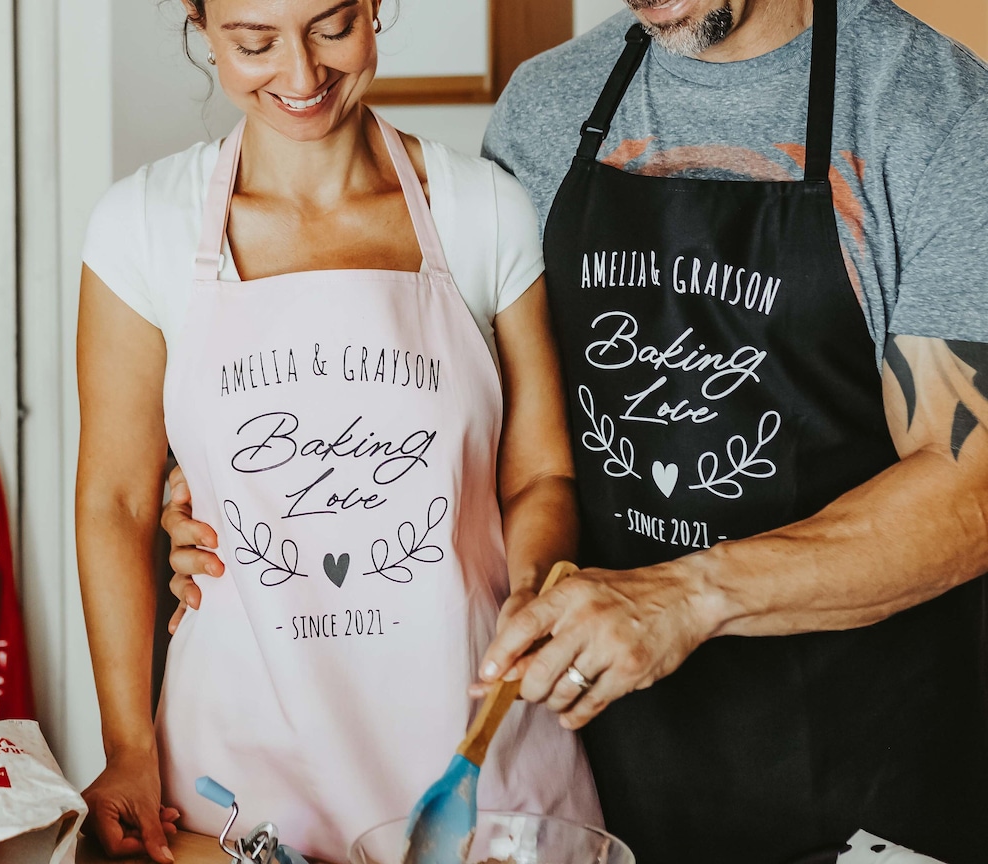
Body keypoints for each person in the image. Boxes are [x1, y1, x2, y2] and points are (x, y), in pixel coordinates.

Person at [165, 0, 988, 862]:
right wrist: (226, 487)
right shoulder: (549, 107)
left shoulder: (929, 109)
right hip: (591, 776)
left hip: (857, 772)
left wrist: (689, 595)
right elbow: (468, 423)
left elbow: (969, 487)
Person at [75, 0, 600, 861]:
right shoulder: (142, 226)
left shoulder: (482, 209)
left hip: (473, 734)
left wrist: (530, 595)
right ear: (200, 26)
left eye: (331, 27)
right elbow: (118, 498)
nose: (302, 75)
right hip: (243, 762)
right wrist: (128, 744)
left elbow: (540, 472)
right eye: (254, 43)